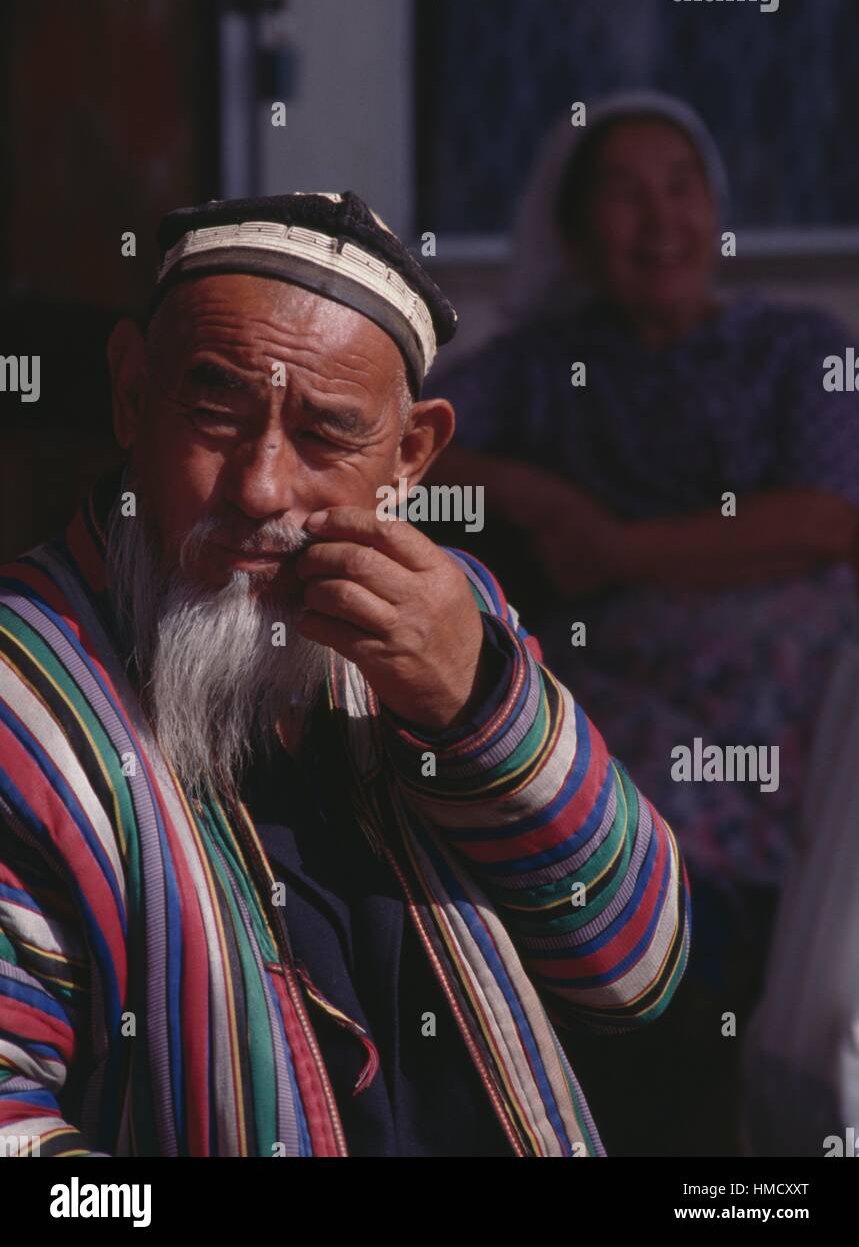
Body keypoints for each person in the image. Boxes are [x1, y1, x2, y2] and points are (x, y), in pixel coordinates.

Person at [0, 190, 688, 1158]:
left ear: (409, 457)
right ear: (129, 395)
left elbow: (635, 966)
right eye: (212, 411)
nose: (261, 487)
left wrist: (479, 706)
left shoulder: (451, 623)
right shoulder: (21, 698)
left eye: (325, 434)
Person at [427, 92, 859, 1153]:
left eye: (681, 186)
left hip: (780, 671)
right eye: (623, 194)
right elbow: (401, 443)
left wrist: (614, 545)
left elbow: (823, 517)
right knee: (547, 813)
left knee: (690, 851)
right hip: (615, 672)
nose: (659, 218)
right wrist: (535, 493)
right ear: (574, 233)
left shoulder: (794, 347)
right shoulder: (543, 361)